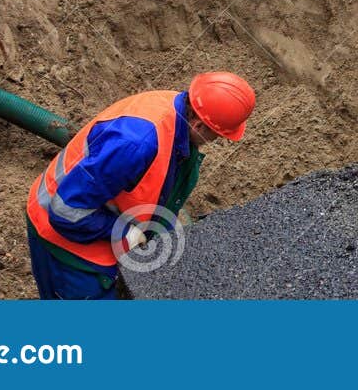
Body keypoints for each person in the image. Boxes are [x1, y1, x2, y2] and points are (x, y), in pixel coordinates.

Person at [24, 72, 255, 299]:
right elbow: (65, 211)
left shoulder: (177, 113)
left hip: (93, 215)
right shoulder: (135, 145)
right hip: (65, 241)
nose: (216, 141)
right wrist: (126, 232)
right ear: (198, 125)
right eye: (216, 135)